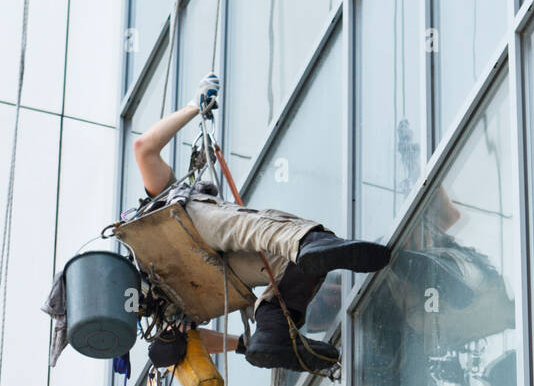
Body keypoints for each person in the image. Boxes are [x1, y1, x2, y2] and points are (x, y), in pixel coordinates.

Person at [133, 74, 392, 371]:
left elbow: (188, 340)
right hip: (185, 232)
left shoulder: (166, 307)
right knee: (258, 229)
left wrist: (241, 344)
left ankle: (273, 332)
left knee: (288, 261)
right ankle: (309, 240)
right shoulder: (163, 208)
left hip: (205, 276)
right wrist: (195, 106)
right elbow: (143, 148)